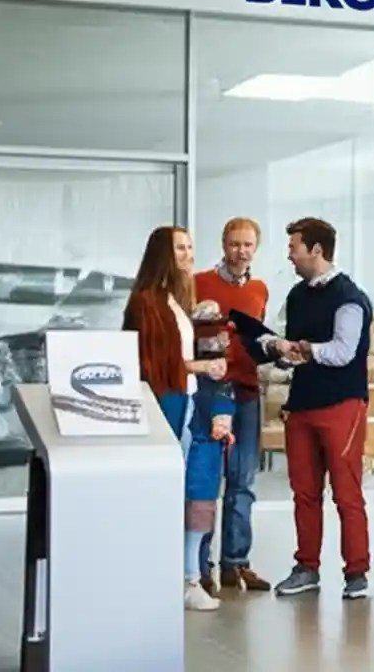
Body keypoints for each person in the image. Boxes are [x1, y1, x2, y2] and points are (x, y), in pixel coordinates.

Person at [121, 225, 233, 612]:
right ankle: (163, 577)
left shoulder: (176, 301)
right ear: (163, 255)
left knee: (198, 493)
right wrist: (200, 366)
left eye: (190, 247)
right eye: (180, 248)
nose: (188, 255)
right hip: (165, 405)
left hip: (189, 404)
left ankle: (189, 578)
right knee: (165, 493)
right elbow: (152, 363)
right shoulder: (145, 302)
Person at [261, 217, 373, 600]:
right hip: (303, 405)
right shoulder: (296, 296)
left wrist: (306, 349)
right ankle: (306, 567)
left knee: (346, 493)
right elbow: (294, 347)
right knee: (304, 492)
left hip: (342, 405)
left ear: (317, 250)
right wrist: (281, 352)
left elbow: (343, 352)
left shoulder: (349, 298)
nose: (289, 255)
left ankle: (356, 572)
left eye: (294, 247)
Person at [193, 217, 272, 594]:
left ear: (256, 248)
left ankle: (236, 563)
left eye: (248, 244)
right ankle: (199, 566)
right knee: (206, 480)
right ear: (223, 245)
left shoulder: (259, 289)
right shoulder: (200, 283)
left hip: (247, 391)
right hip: (209, 390)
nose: (241, 251)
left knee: (243, 482)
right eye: (234, 244)